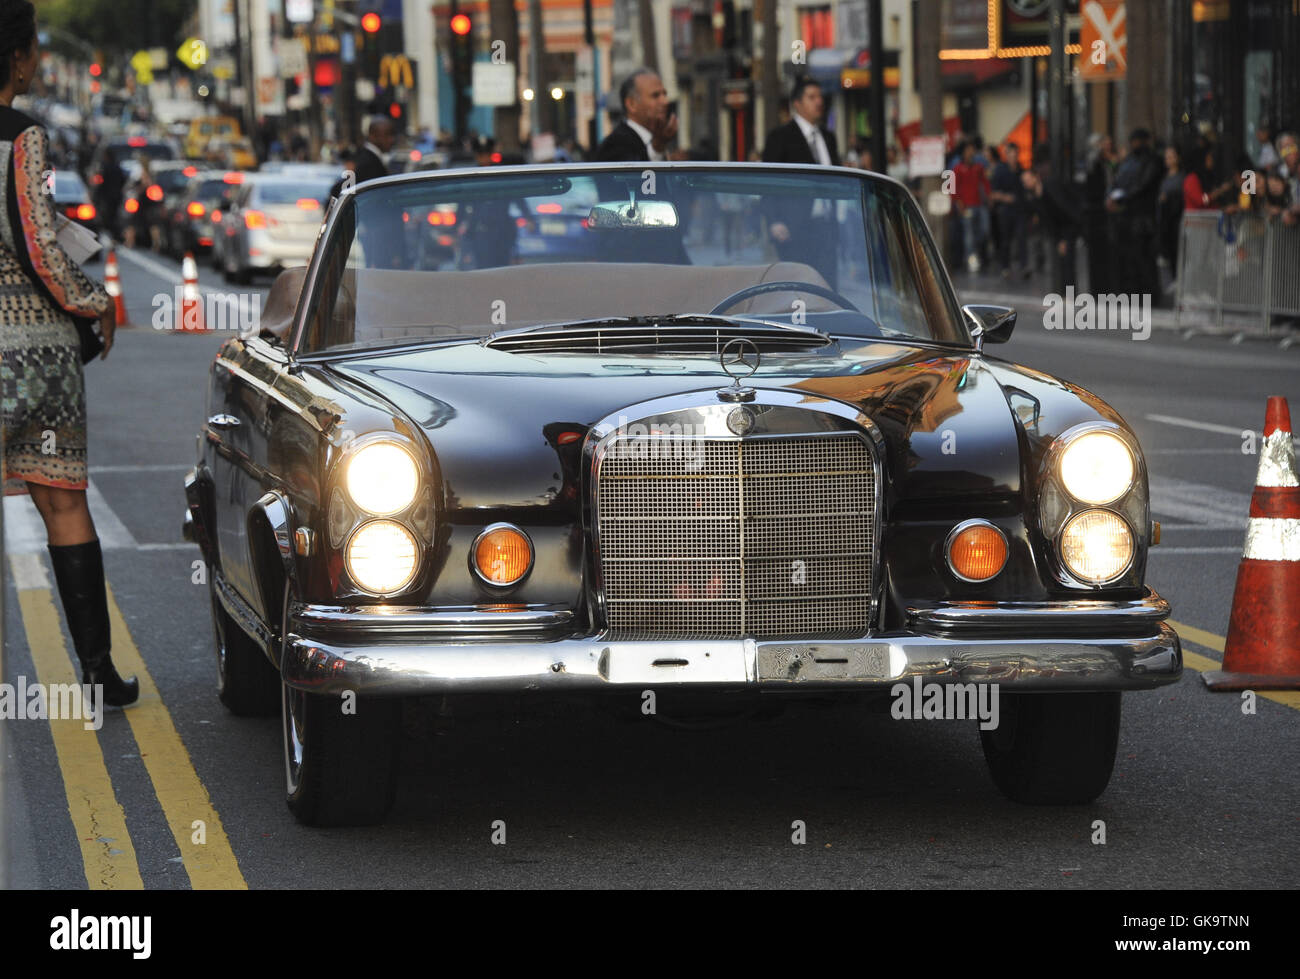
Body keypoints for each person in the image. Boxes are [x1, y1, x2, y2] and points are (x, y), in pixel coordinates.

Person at [0, 0, 137, 706]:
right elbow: (36, 241)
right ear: (19, 58)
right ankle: (96, 671)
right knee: (62, 501)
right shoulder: (22, 138)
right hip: (32, 358)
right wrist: (94, 302)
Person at [760, 76, 841, 287]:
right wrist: (774, 221)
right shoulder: (780, 137)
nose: (819, 102)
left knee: (828, 286)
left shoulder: (828, 137)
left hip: (827, 227)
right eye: (811, 97)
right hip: (795, 228)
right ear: (797, 103)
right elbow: (767, 181)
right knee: (800, 287)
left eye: (820, 97)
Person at [1107, 128, 1162, 299]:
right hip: (1129, 217)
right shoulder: (1131, 161)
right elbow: (1120, 183)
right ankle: (1135, 291)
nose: (1134, 145)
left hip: (1143, 217)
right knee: (1133, 257)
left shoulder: (1151, 161)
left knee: (1144, 256)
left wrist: (1121, 198)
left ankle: (1148, 293)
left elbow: (1142, 186)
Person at [594, 69, 678, 162]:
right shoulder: (614, 145)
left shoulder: (662, 138)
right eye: (655, 95)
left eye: (664, 94)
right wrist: (657, 149)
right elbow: (631, 175)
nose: (665, 101)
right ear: (632, 104)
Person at [1083, 133, 1117, 293]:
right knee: (1098, 253)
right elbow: (1096, 187)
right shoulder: (1094, 163)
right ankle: (1100, 289)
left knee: (1103, 253)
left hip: (1100, 211)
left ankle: (1103, 287)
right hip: (1097, 212)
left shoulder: (1104, 162)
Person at [951, 139, 991, 273]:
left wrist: (988, 196)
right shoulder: (957, 168)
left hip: (979, 204)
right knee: (968, 235)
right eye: (968, 150)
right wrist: (958, 203)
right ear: (963, 153)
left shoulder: (978, 167)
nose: (971, 152)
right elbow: (954, 188)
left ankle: (976, 253)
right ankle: (971, 258)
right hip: (966, 206)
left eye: (972, 150)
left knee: (984, 230)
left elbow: (984, 183)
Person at [990, 142, 1028, 278]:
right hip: (1005, 210)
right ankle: (1005, 266)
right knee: (1006, 239)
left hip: (1019, 209)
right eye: (1011, 154)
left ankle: (1024, 266)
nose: (1014, 156)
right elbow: (993, 192)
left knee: (1022, 237)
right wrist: (1006, 197)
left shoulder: (1021, 170)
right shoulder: (1000, 170)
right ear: (1006, 155)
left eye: (1015, 154)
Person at [354, 118, 395, 184]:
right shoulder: (369, 162)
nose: (392, 140)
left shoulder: (369, 157)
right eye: (387, 134)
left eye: (392, 134)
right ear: (372, 136)